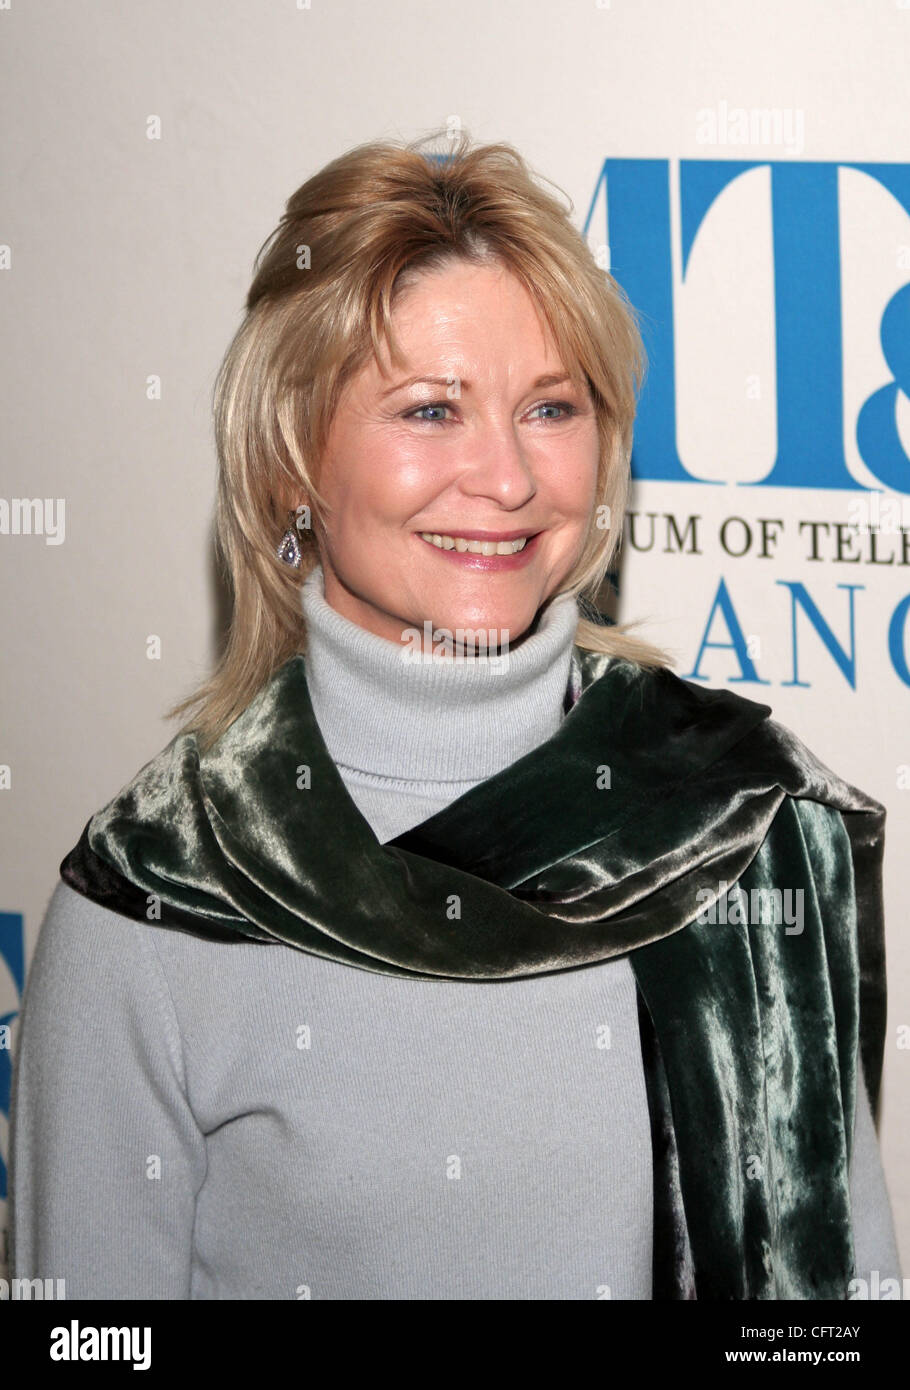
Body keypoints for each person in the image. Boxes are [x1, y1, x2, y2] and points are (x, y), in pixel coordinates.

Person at [9, 130, 902, 1300]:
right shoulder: (161, 894)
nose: (508, 478)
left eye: (551, 408)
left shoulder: (742, 820)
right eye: (431, 411)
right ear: (290, 461)